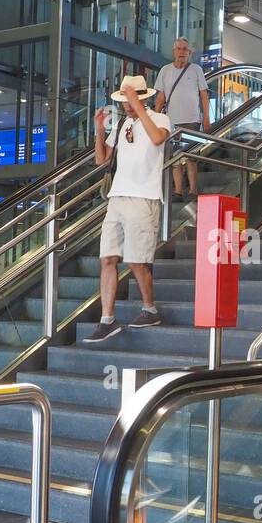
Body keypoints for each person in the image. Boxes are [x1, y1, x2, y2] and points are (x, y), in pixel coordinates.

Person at [85, 75, 173, 343]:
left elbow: (158, 139)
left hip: (143, 197)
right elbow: (102, 160)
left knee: (137, 260)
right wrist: (100, 131)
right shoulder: (122, 123)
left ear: (143, 97)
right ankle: (107, 320)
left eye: (130, 99)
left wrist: (140, 107)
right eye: (123, 100)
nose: (125, 104)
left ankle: (150, 309)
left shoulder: (159, 119)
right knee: (108, 258)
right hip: (117, 198)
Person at [154, 38, 211, 202]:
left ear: (190, 53)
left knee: (192, 156)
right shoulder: (165, 70)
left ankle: (193, 190)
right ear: (174, 52)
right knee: (175, 158)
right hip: (171, 121)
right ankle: (178, 191)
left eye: (185, 49)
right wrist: (156, 119)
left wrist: (206, 117)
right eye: (179, 49)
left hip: (192, 119)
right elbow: (160, 97)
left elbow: (204, 95)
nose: (182, 52)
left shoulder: (196, 69)